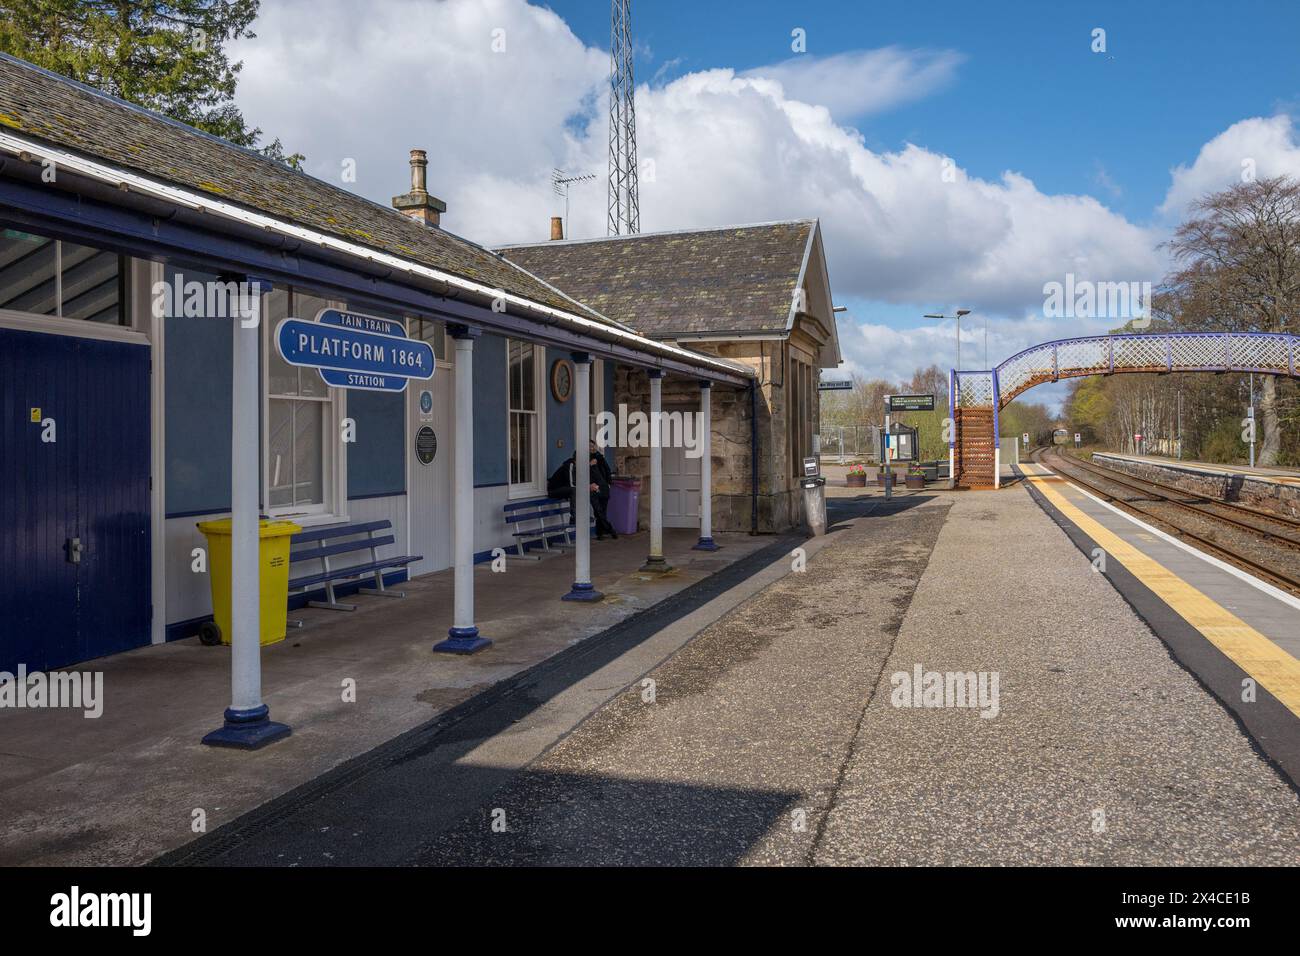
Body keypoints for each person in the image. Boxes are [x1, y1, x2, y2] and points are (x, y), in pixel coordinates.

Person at [570, 440, 618, 539]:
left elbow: (607, 470)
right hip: (591, 488)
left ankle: (600, 533)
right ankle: (610, 529)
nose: (592, 448)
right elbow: (578, 474)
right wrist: (589, 465)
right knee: (598, 511)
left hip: (603, 486)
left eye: (593, 446)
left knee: (602, 511)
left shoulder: (599, 457)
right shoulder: (580, 458)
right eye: (589, 446)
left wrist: (608, 483)